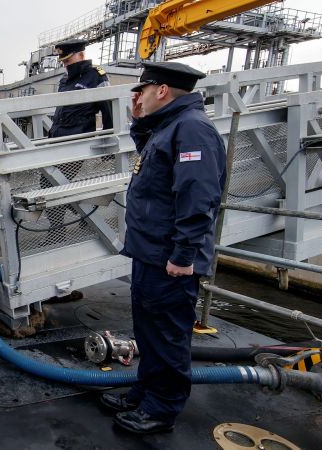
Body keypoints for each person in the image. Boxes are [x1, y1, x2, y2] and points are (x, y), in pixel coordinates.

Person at [99, 61, 226, 434]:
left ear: (163, 90)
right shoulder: (167, 128)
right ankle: (147, 389)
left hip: (172, 260)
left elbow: (197, 195)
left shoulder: (192, 130)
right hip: (151, 253)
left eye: (142, 90)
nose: (135, 96)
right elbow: (154, 168)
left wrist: (183, 256)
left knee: (168, 335)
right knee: (149, 330)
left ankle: (162, 407)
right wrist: (139, 122)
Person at [43, 38, 113, 246]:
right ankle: (87, 215)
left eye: (67, 60)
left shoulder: (96, 76)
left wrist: (109, 141)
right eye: (63, 61)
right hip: (57, 141)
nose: (65, 64)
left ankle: (57, 235)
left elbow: (108, 110)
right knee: (49, 184)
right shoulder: (64, 81)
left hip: (77, 142)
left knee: (52, 186)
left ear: (81, 55)